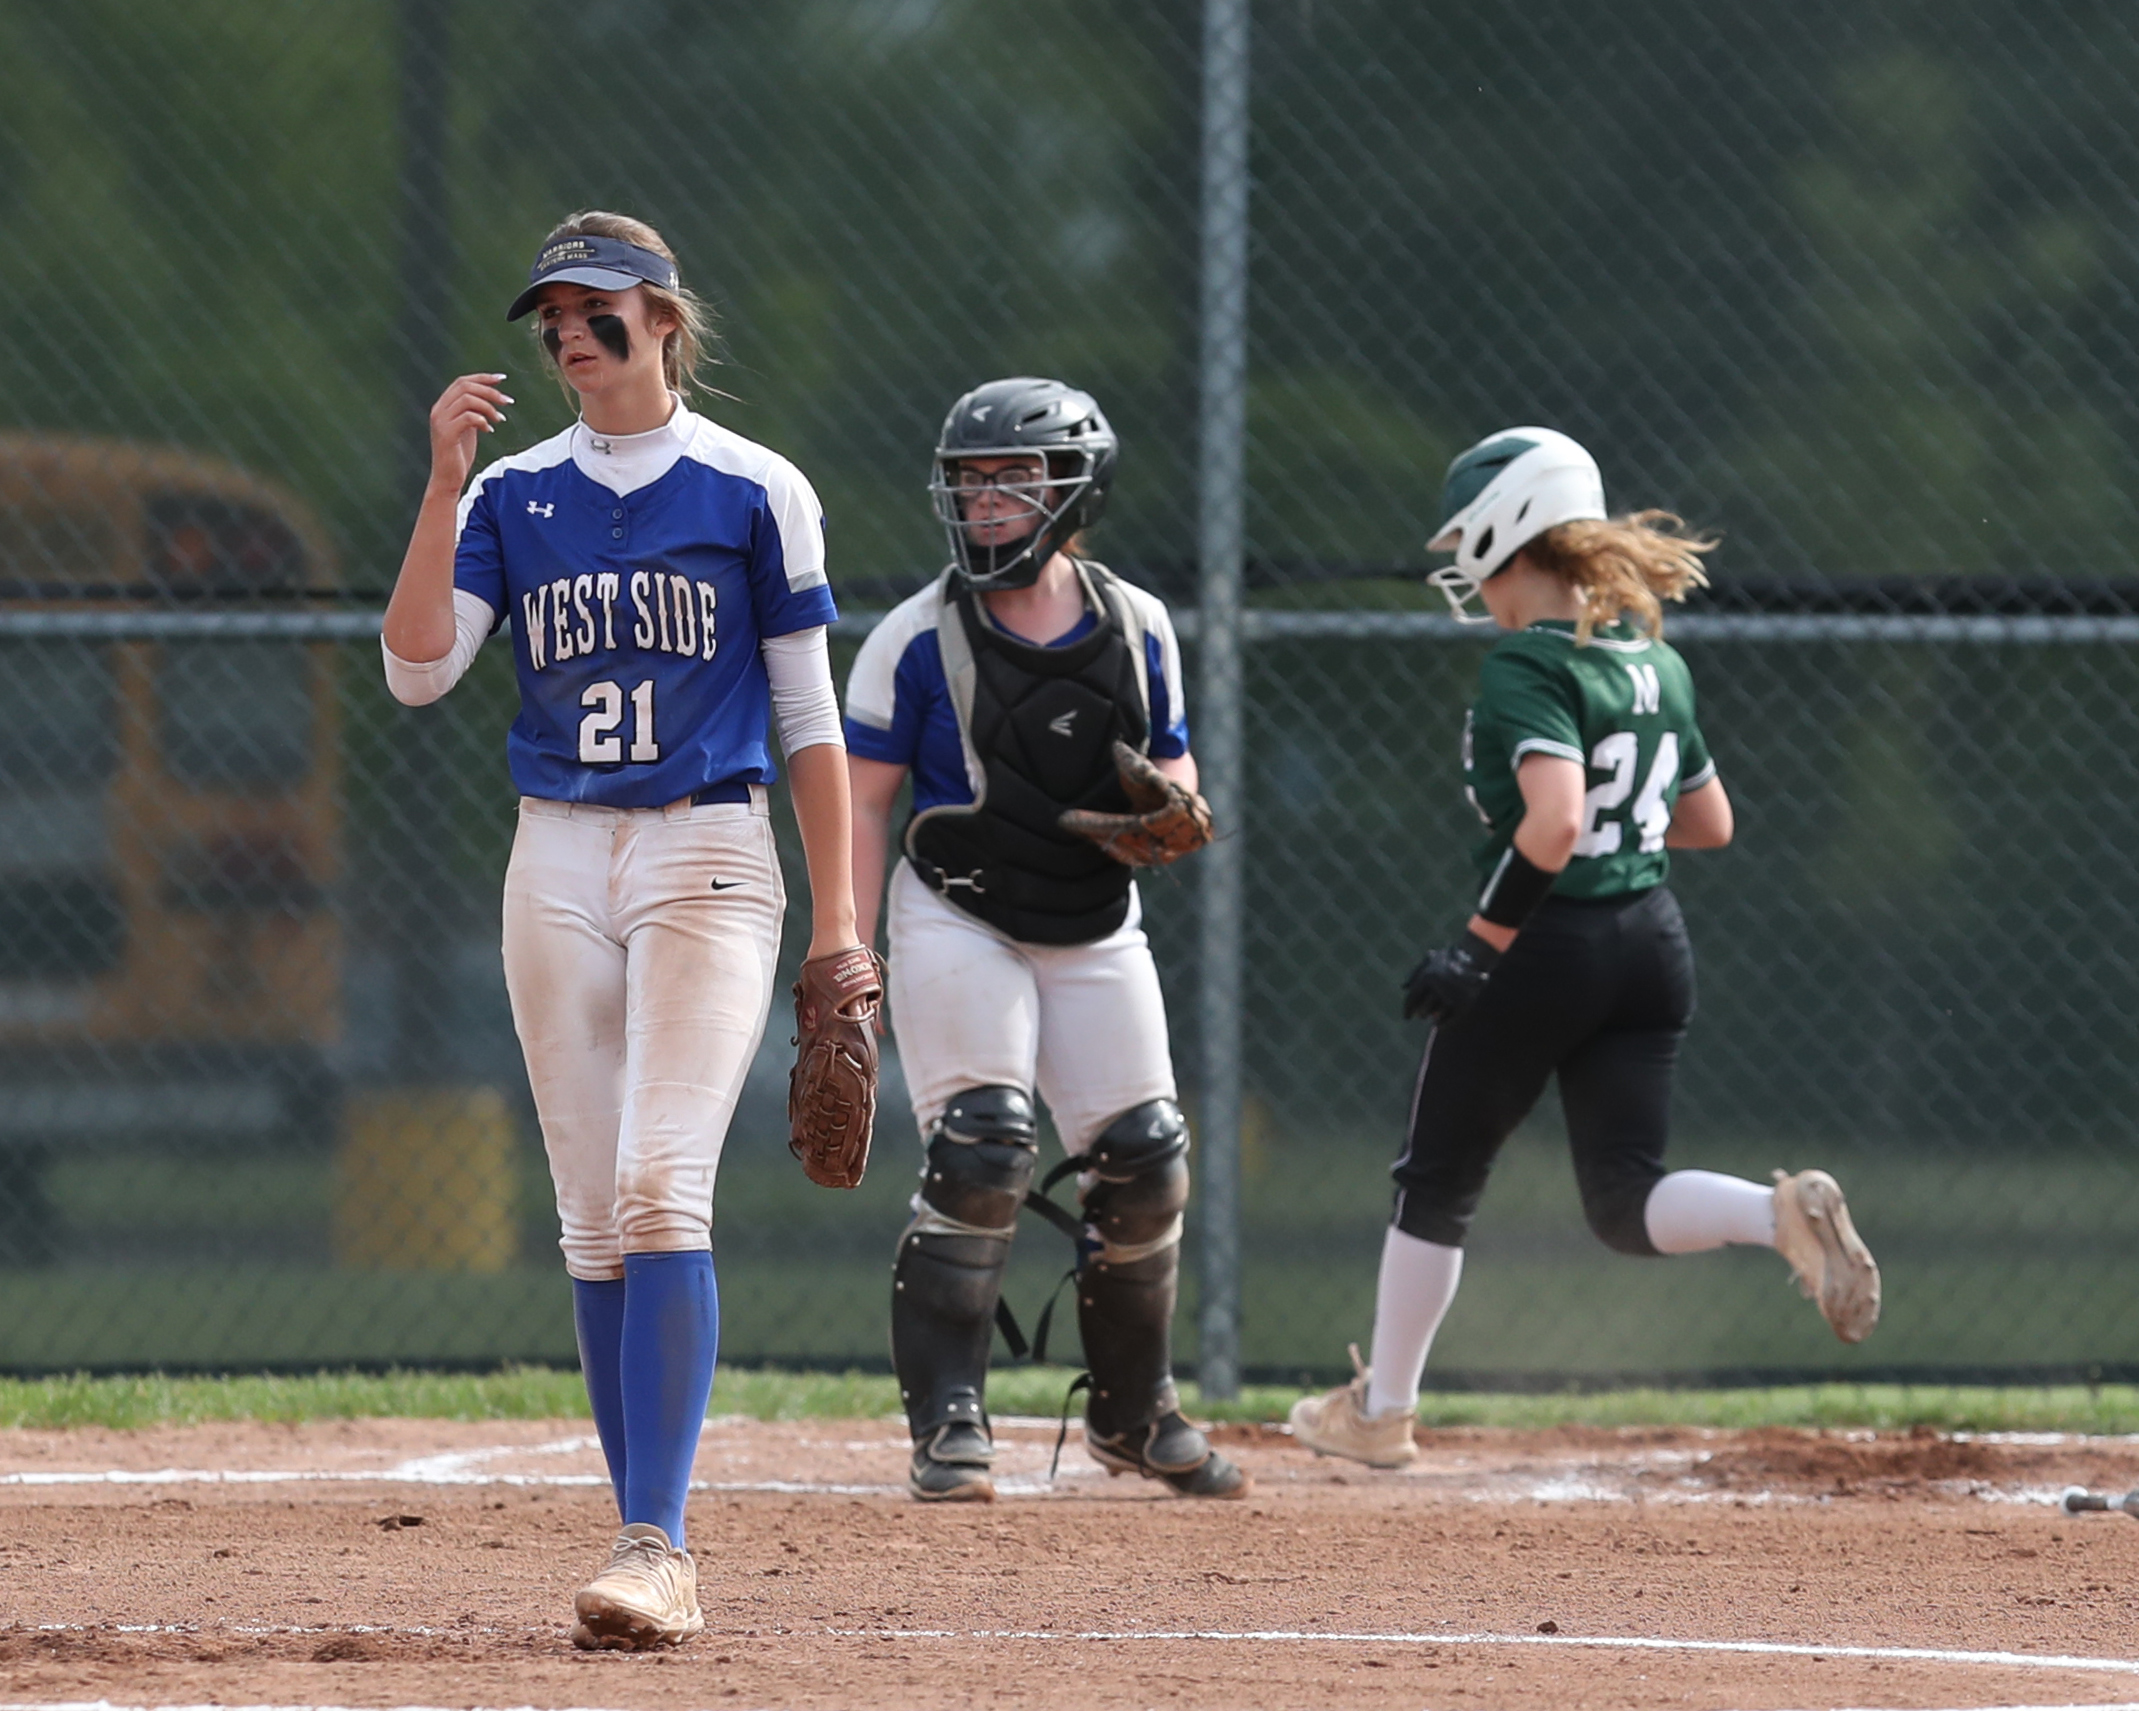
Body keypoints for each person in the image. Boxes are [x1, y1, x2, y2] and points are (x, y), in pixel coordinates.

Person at [381, 212, 866, 1647]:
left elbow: (809, 721)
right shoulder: (514, 495)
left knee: (663, 1183)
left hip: (708, 850)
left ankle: (658, 1541)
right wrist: (440, 485)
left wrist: (839, 927)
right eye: (552, 314)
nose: (568, 332)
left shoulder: (750, 484)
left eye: (595, 308)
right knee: (590, 1209)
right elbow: (416, 673)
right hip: (556, 857)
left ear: (662, 317)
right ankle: (635, 1529)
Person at [1290, 427, 1881, 1470]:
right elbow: (1709, 824)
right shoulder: (1656, 659)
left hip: (1541, 946)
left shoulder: (1527, 661)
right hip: (1651, 941)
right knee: (1623, 1195)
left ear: (1520, 534)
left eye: (1478, 542)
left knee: (1435, 1182)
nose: (1470, 568)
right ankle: (1776, 1212)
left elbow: (1554, 823)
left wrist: (1477, 948)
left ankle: (1382, 1411)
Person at [844, 377, 1246, 1503]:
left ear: (1076, 496)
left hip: (1095, 916)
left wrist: (1173, 799)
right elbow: (863, 801)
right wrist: (849, 945)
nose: (984, 505)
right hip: (957, 909)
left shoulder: (1136, 622)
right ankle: (949, 1420)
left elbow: (1172, 754)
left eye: (1013, 485)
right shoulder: (914, 638)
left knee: (1150, 1159)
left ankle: (1133, 1412)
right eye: (970, 485)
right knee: (982, 1148)